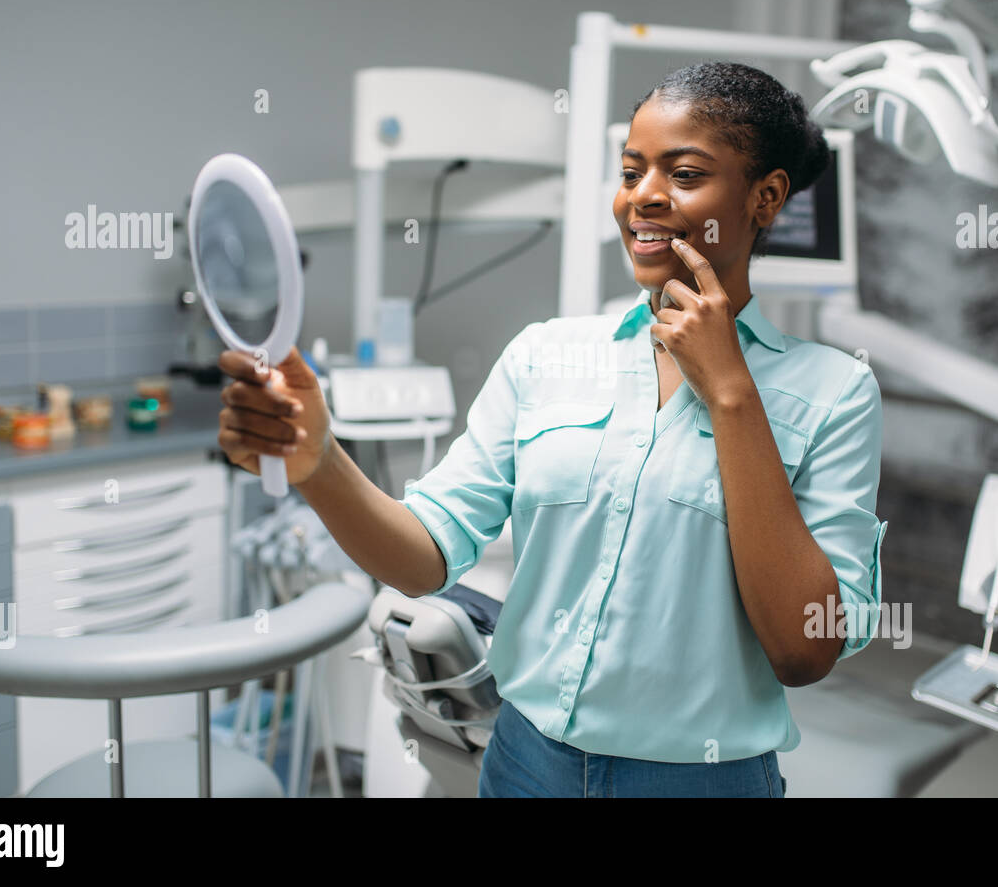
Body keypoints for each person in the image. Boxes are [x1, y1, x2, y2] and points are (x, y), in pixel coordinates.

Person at [216, 61, 886, 798]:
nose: (644, 197)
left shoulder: (834, 392)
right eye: (631, 172)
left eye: (685, 173)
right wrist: (319, 461)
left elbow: (804, 648)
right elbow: (423, 558)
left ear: (765, 198)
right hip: (525, 763)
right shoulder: (546, 354)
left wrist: (731, 393)